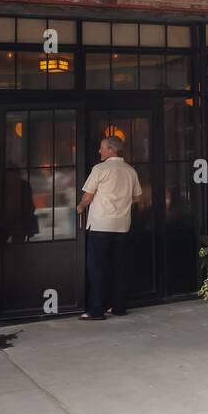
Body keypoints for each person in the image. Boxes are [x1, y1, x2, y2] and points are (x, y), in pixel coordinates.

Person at [77, 136, 142, 321]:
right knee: (118, 267)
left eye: (102, 148)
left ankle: (96, 310)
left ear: (111, 150)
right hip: (122, 226)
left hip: (101, 225)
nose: (99, 151)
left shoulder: (100, 169)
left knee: (97, 268)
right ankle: (119, 307)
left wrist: (80, 207)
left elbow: (88, 196)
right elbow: (137, 198)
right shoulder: (130, 170)